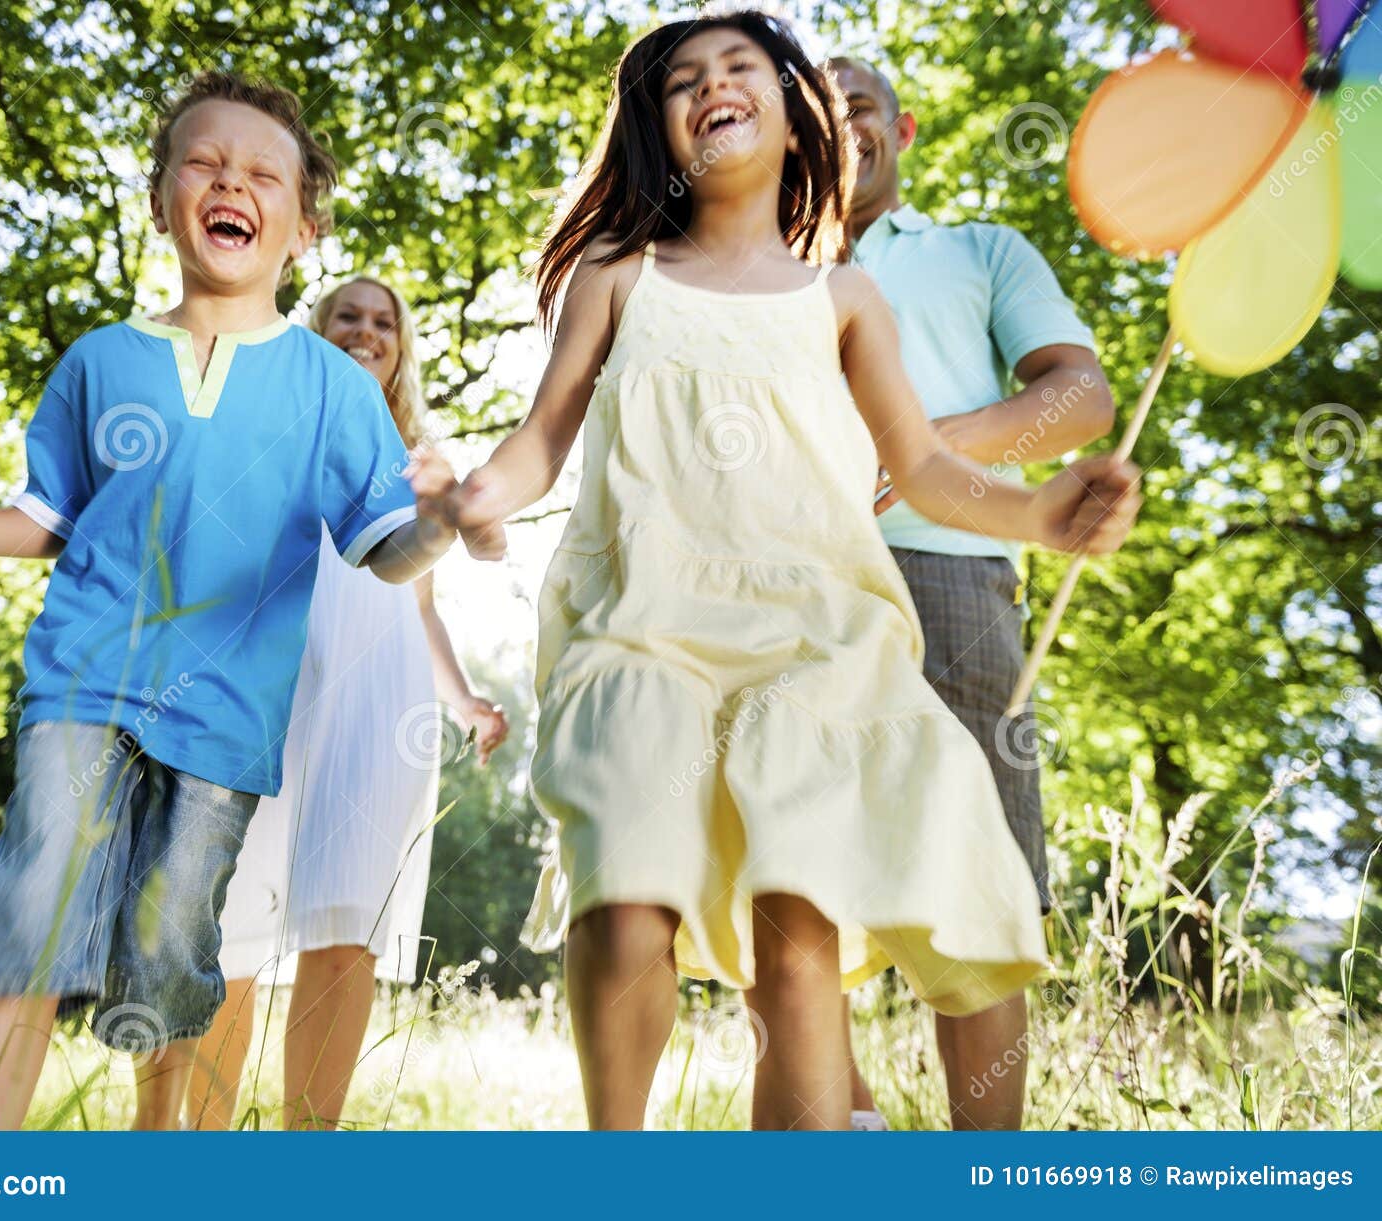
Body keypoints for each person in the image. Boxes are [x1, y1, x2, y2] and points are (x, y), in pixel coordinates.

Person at [439, 10, 1141, 1130]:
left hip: (815, 642)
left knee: (801, 932)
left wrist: (1040, 515)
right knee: (623, 897)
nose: (711, 86)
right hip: (639, 630)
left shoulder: (845, 299)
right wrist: (478, 493)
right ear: (655, 131)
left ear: (793, 111)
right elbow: (541, 437)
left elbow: (918, 466)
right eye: (681, 81)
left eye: (739, 67)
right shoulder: (618, 277)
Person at [0, 72, 463, 1130]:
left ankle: (172, 1149)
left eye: (262, 172)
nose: (232, 183)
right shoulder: (102, 363)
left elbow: (384, 553)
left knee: (170, 950)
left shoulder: (333, 389)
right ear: (162, 197)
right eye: (205, 163)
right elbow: (51, 516)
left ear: (303, 226)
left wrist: (452, 520)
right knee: (33, 903)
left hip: (226, 722)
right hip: (86, 682)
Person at [136, 276, 510, 1130]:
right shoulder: (266, 415)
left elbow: (421, 606)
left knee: (350, 919)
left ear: (399, 347)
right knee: (225, 912)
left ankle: (310, 1148)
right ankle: (207, 1142)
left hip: (383, 695)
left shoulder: (419, 458)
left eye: (384, 322)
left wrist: (463, 702)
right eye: (350, 314)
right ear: (318, 327)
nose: (367, 330)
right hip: (269, 675)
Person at [831, 54, 1116, 1130]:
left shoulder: (979, 251)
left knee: (983, 867)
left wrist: (928, 449)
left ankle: (982, 1165)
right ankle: (841, 1128)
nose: (838, 119)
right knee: (784, 860)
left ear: (900, 132)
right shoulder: (751, 268)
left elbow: (1079, 395)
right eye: (815, 104)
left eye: (858, 102)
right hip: (787, 578)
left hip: (951, 568)